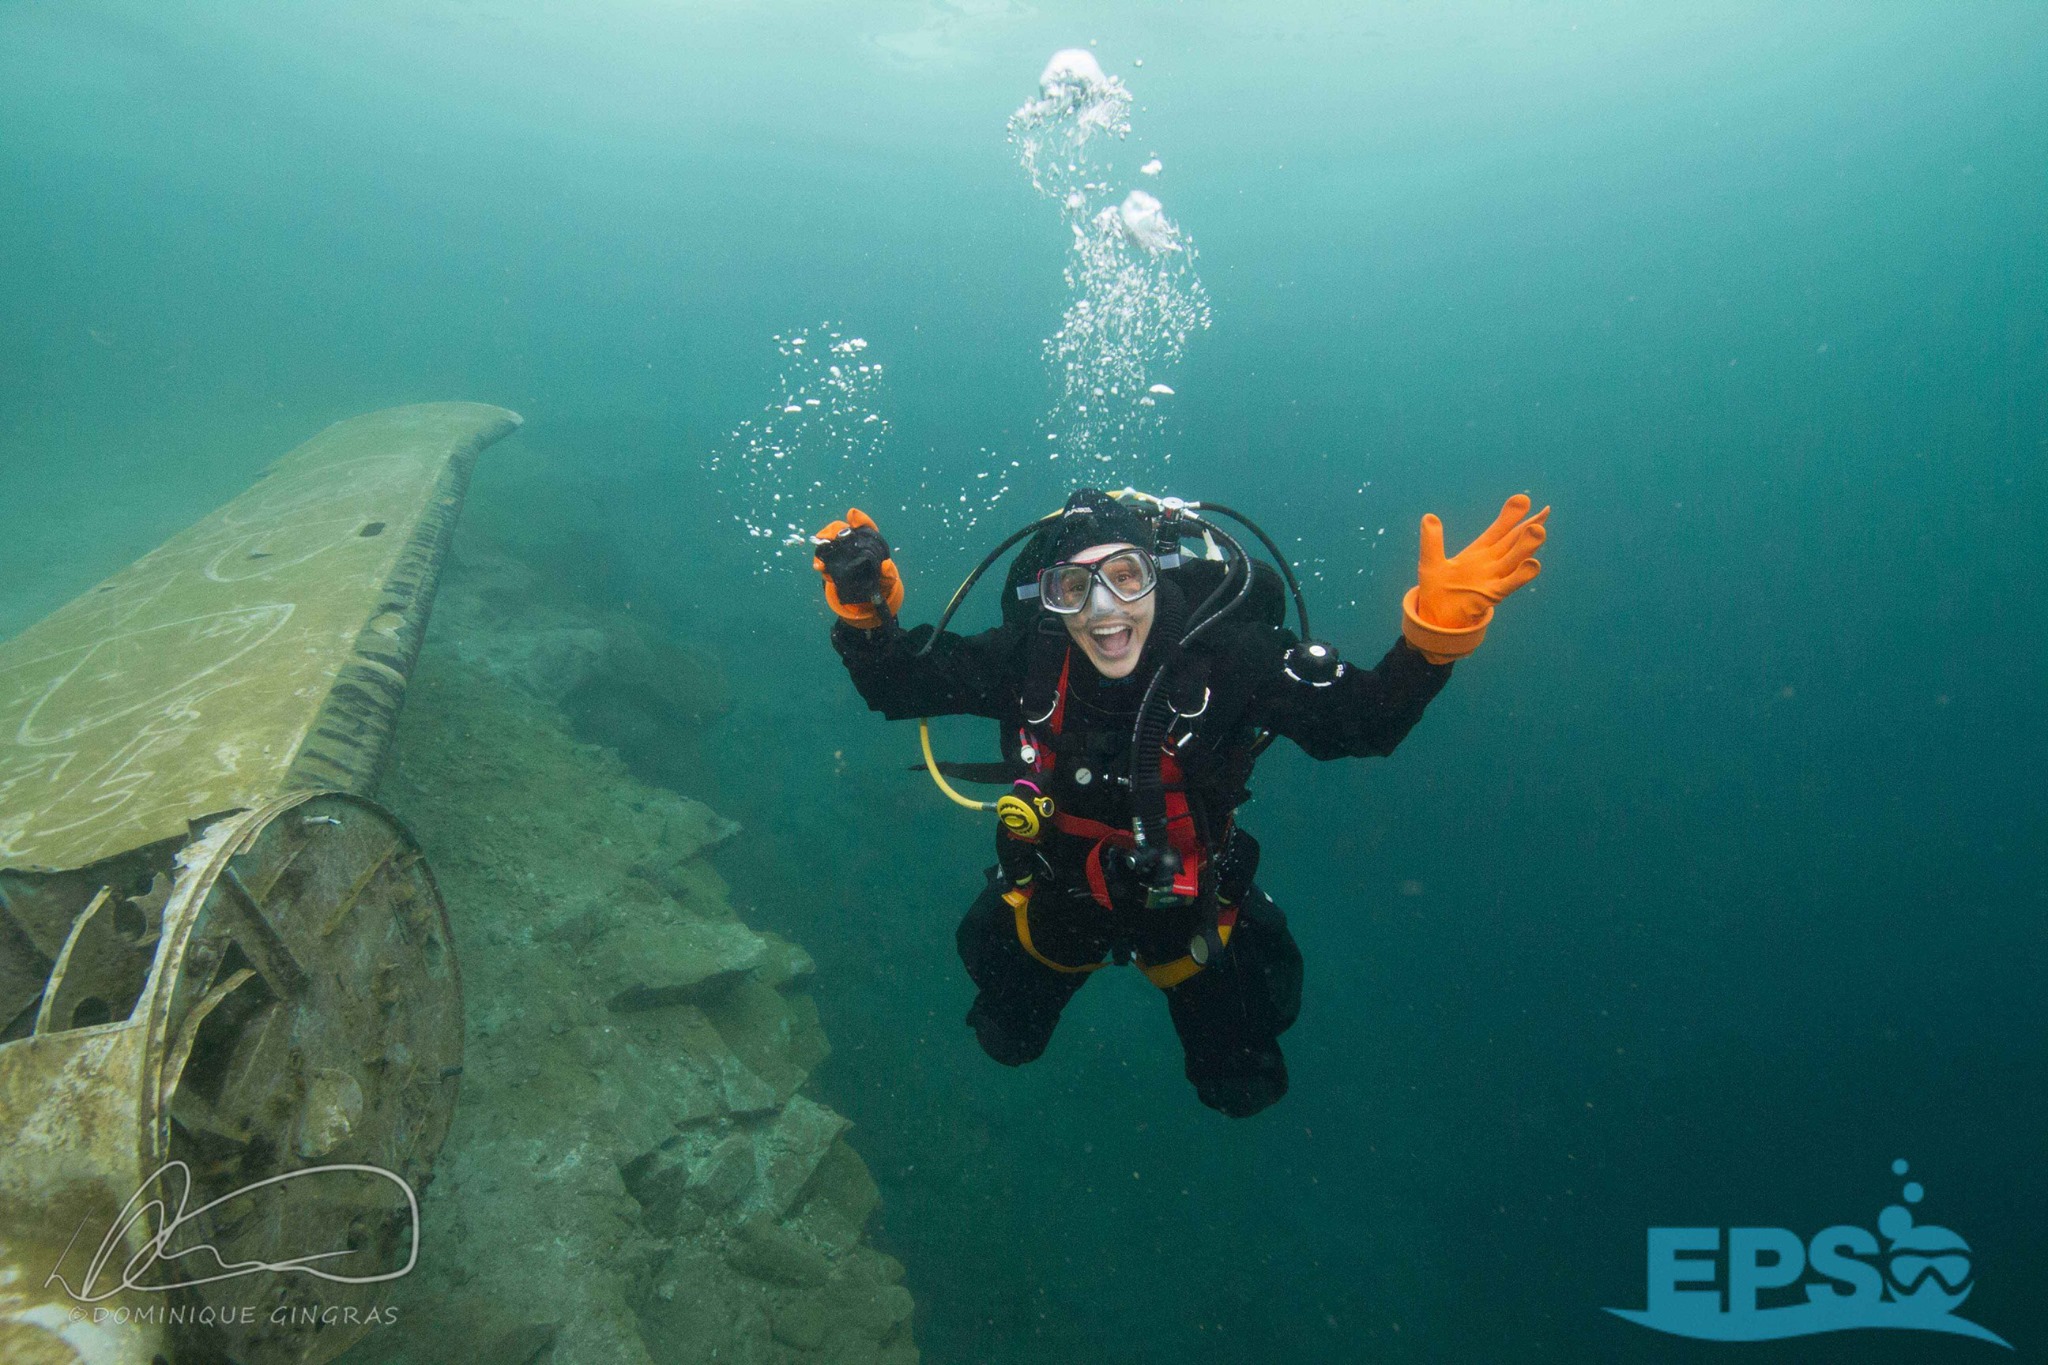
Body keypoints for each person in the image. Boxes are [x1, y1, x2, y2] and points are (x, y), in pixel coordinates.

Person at [812, 488, 1547, 1117]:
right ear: (1050, 598)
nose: (1104, 611)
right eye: (1075, 588)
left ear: (1158, 578)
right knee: (1004, 1039)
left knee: (1243, 1086)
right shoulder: (1028, 658)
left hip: (1190, 903)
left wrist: (1430, 642)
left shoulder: (1232, 658)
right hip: (1058, 897)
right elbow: (900, 687)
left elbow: (1363, 723)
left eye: (1124, 576)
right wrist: (865, 619)